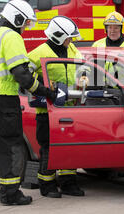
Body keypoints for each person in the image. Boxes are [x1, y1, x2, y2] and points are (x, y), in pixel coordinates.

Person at [0, 0, 57, 206]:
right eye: (26, 23)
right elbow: (21, 74)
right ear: (17, 18)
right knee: (10, 144)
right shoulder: (12, 37)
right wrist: (45, 91)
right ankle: (10, 194)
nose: (25, 27)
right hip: (3, 98)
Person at [28, 16, 85, 198]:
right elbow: (25, 77)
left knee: (70, 147)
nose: (71, 41)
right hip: (47, 111)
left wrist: (84, 77)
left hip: (70, 109)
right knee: (48, 148)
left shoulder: (71, 48)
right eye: (69, 38)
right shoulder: (38, 53)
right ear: (58, 36)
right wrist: (44, 87)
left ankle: (68, 183)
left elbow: (83, 65)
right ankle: (47, 185)